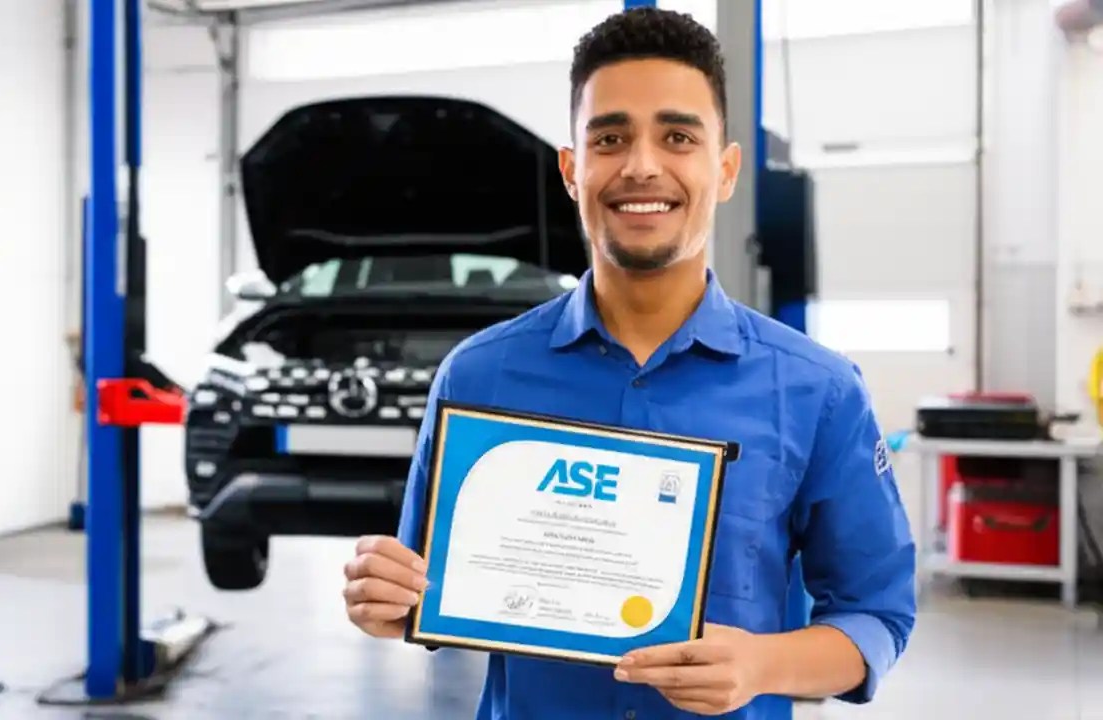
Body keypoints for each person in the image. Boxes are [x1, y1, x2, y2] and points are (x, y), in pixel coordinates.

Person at [341, 8, 916, 719]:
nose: (642, 164)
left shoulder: (817, 391)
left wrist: (764, 664)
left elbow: (876, 616)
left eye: (678, 136)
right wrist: (386, 600)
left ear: (725, 168)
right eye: (610, 138)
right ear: (572, 170)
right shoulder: (478, 376)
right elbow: (429, 592)